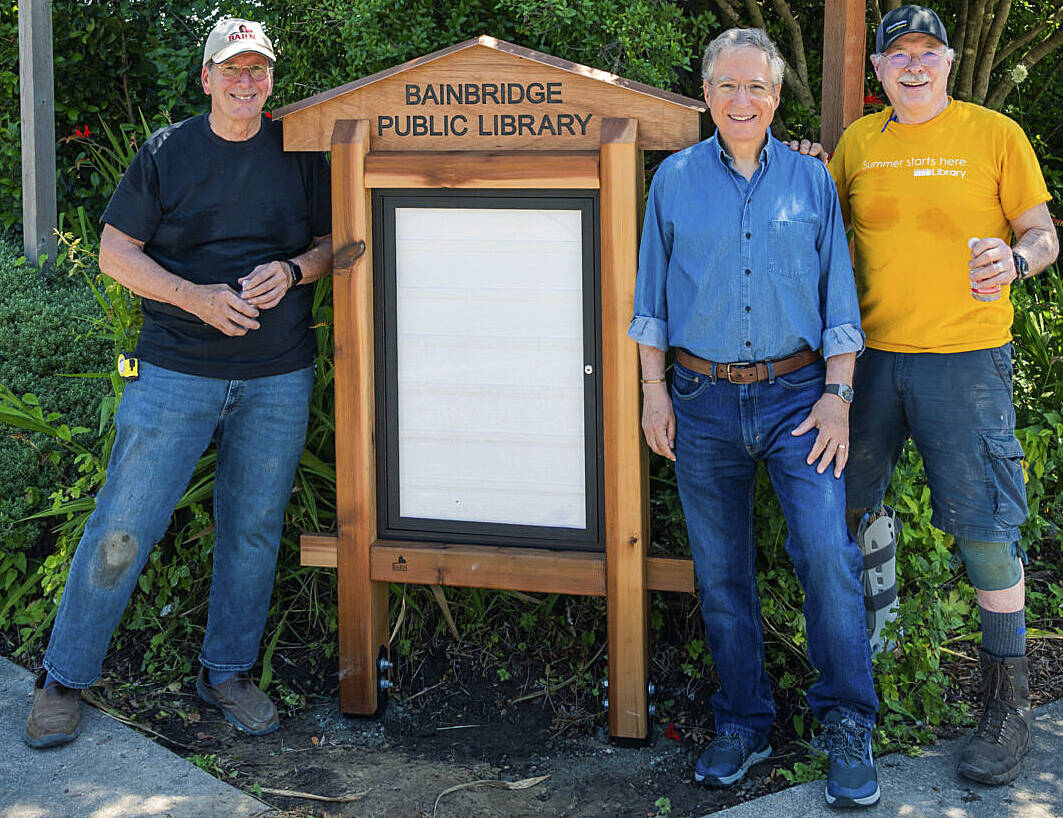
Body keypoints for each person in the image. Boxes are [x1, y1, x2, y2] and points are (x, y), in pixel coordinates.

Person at [24, 18, 333, 748]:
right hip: (174, 372)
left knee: (254, 532)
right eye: (232, 69)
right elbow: (113, 253)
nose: (245, 81)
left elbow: (334, 244)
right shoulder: (168, 152)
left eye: (257, 69)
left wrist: (291, 270)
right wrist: (194, 297)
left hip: (276, 375)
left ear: (269, 78)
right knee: (124, 524)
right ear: (206, 79)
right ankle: (63, 679)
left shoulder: (299, 151)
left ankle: (225, 672)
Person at [630, 28, 881, 809]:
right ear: (705, 93)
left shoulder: (810, 183)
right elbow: (650, 301)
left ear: (776, 97)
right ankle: (742, 721)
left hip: (798, 399)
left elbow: (839, 297)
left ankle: (846, 720)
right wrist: (653, 389)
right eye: (728, 86)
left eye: (758, 88)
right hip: (700, 403)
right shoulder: (671, 181)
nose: (743, 101)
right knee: (721, 573)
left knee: (825, 555)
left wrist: (836, 395)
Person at [828, 4, 1059, 786]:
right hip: (864, 361)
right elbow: (818, 229)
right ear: (879, 71)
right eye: (900, 56)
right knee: (847, 508)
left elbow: (1043, 233)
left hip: (965, 360)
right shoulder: (858, 144)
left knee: (986, 527)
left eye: (928, 53)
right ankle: (868, 669)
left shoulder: (994, 134)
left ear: (950, 62)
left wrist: (1017, 259)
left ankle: (1008, 704)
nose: (914, 66)